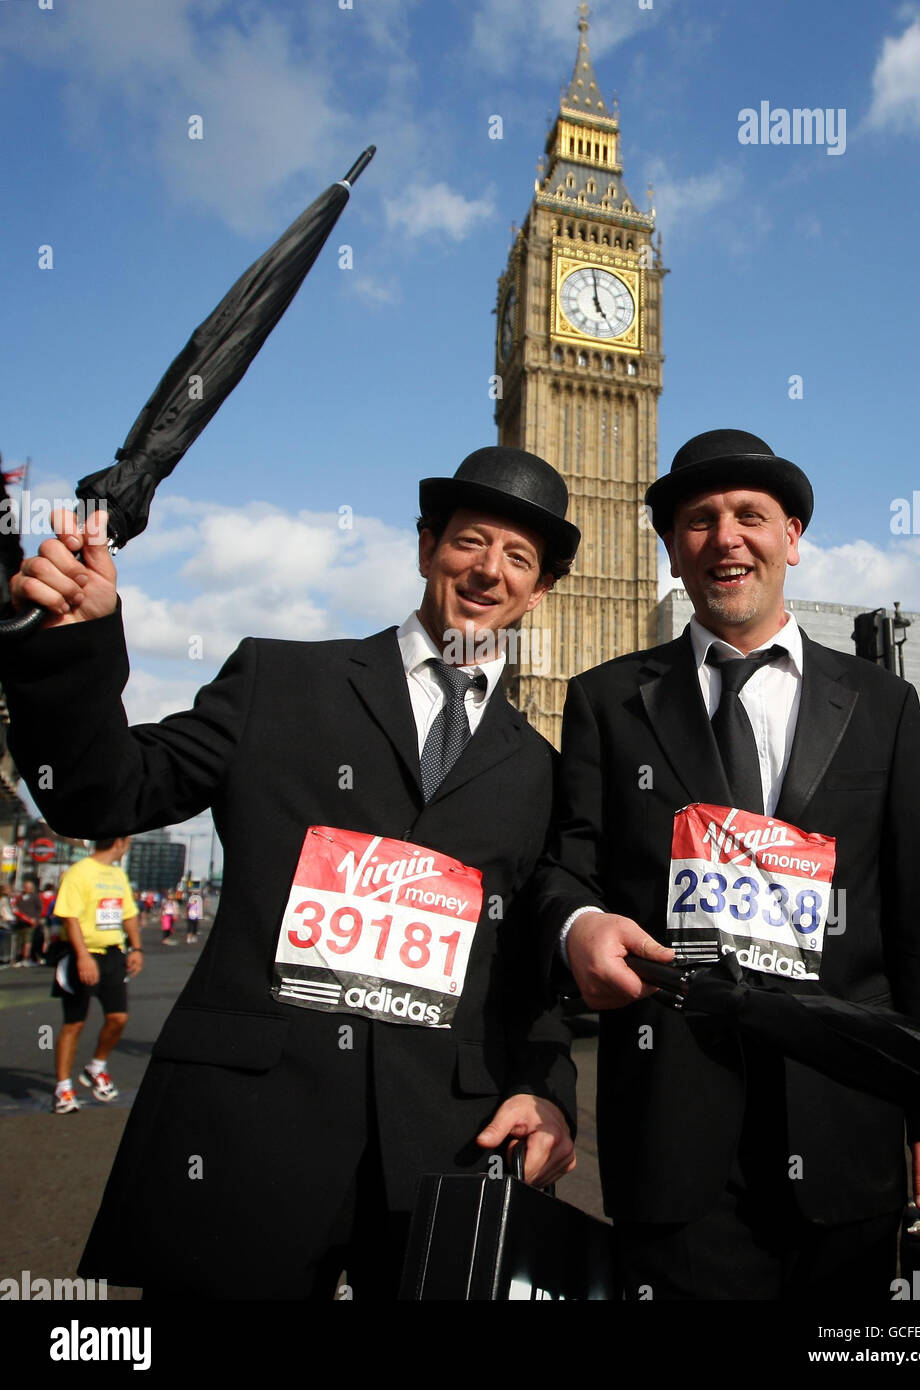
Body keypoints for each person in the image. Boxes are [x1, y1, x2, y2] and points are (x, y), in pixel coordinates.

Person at [2, 446, 579, 1299]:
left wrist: (550, 1092)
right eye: (469, 542)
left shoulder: (537, 768)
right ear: (426, 550)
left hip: (441, 1148)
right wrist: (78, 646)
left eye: (517, 558)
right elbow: (102, 794)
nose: (488, 571)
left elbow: (529, 971)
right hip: (249, 1135)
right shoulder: (282, 679)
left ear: (539, 590)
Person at [535, 428, 920, 1300]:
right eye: (698, 521)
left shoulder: (881, 704)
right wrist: (577, 925)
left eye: (750, 516)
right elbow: (564, 867)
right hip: (672, 1119)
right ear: (670, 549)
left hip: (844, 1113)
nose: (725, 537)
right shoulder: (607, 702)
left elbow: (917, 919)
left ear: (792, 540)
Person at [49, 837, 143, 1114]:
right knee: (74, 1023)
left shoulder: (117, 875)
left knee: (118, 1018)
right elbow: (70, 917)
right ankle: (63, 1087)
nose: (128, 846)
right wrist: (82, 957)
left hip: (114, 954)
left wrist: (136, 948)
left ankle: (96, 1067)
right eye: (128, 842)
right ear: (119, 842)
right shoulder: (79, 872)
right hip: (83, 954)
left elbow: (129, 915)